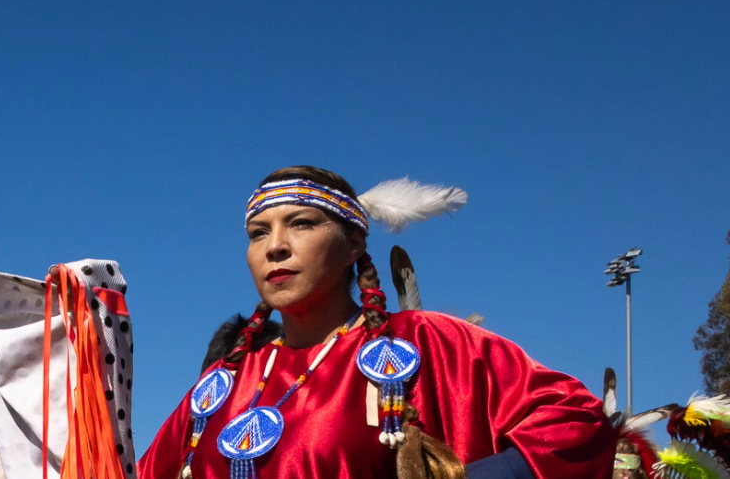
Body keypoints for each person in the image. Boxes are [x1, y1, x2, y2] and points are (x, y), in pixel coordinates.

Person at [137, 166, 614, 479]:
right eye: (258, 233)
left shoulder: (426, 341)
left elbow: (576, 419)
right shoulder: (226, 383)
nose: (274, 246)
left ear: (353, 247)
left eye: (301, 224)